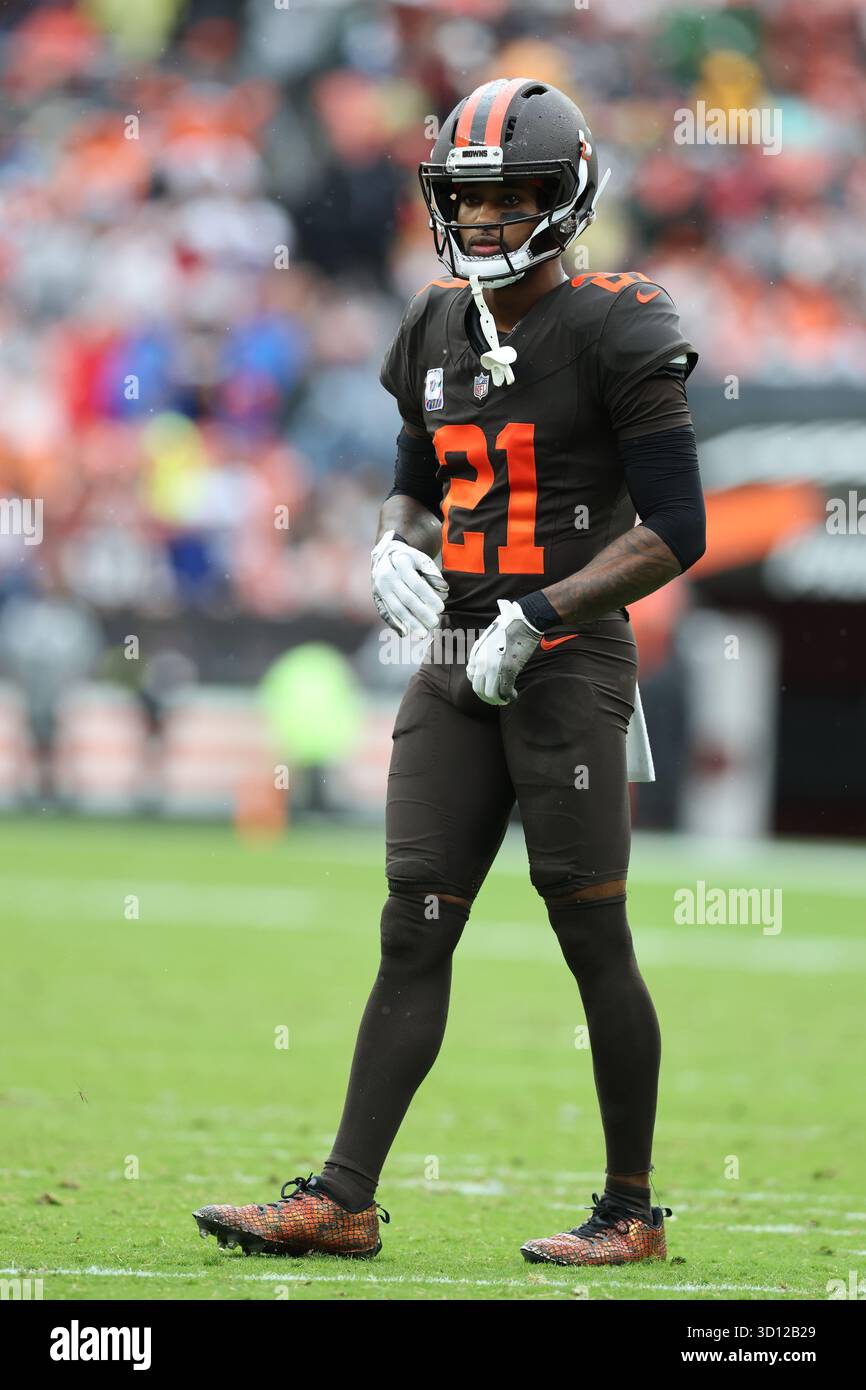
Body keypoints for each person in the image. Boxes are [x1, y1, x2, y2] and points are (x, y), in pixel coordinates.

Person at [193, 77, 705, 1266]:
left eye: (507, 195)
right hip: (448, 660)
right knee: (413, 925)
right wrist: (389, 543)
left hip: (566, 658)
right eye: (465, 199)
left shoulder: (619, 321)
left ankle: (629, 1210)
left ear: (564, 197)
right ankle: (344, 1197)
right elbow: (416, 485)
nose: (480, 221)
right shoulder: (430, 324)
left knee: (590, 935)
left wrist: (542, 612)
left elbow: (675, 529)